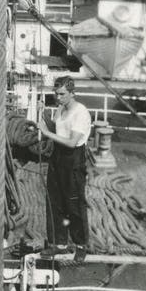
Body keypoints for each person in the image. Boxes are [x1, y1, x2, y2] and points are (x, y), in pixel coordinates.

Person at [39, 76, 92, 261]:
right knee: (55, 201)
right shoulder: (61, 109)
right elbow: (59, 130)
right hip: (57, 157)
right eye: (56, 93)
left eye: (62, 94)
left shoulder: (81, 113)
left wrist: (46, 133)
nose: (58, 97)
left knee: (74, 204)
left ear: (72, 93)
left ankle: (81, 245)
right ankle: (59, 243)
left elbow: (72, 142)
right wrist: (46, 117)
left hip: (73, 158)